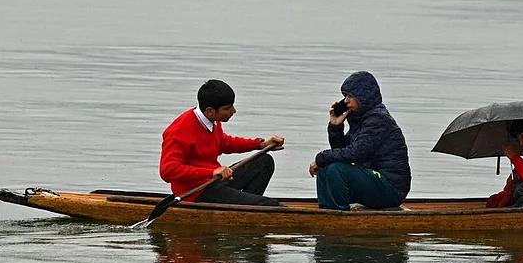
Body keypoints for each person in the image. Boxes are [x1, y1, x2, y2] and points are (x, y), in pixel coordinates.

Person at [159, 79, 285, 207]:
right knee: (271, 204)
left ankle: (245, 208)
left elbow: (224, 142)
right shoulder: (178, 132)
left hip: (215, 181)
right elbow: (168, 171)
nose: (233, 111)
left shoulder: (211, 119)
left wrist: (260, 144)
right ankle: (251, 207)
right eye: (228, 108)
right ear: (210, 111)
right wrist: (212, 172)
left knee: (264, 161)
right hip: (196, 192)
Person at [309, 71, 411, 211]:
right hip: (372, 179)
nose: (345, 101)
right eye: (345, 96)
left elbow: (355, 153)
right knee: (326, 169)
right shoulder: (362, 119)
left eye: (350, 96)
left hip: (391, 187)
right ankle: (328, 211)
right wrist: (336, 126)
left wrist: (321, 157)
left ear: (362, 97)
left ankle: (338, 217)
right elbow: (342, 150)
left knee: (335, 168)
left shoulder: (378, 119)